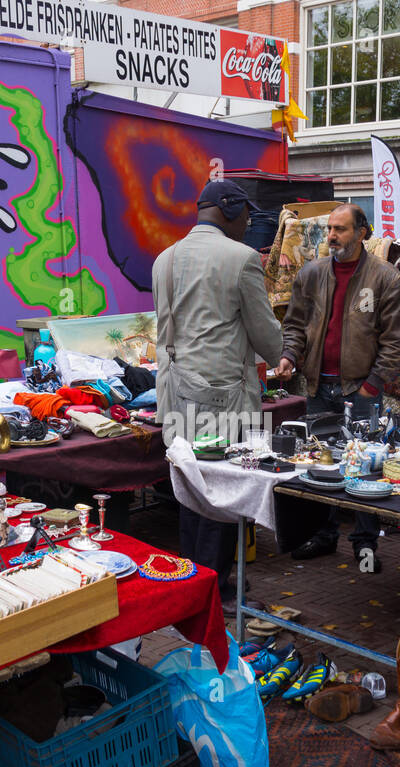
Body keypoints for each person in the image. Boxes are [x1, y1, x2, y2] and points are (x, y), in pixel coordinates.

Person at [153, 180, 282, 611]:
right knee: (221, 492)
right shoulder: (241, 258)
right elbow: (267, 337)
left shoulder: (164, 259)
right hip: (221, 395)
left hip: (174, 389)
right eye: (245, 214)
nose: (248, 223)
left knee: (188, 487)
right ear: (228, 210)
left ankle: (192, 579)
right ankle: (214, 591)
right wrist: (285, 350)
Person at [276, 204, 400, 571]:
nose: (333, 236)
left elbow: (396, 340)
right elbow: (295, 323)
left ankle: (365, 543)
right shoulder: (312, 274)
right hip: (319, 385)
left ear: (362, 232)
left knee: (365, 467)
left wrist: (373, 385)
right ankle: (324, 535)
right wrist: (290, 355)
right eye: (330, 229)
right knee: (322, 462)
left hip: (361, 388)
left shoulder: (386, 278)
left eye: (341, 229)